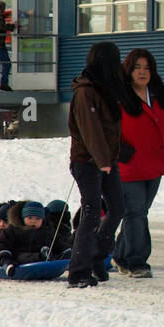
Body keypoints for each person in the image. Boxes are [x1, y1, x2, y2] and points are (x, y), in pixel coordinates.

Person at [67, 41, 140, 289]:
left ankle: (97, 258)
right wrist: (102, 160)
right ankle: (78, 271)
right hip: (87, 162)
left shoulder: (104, 89)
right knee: (91, 211)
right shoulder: (86, 92)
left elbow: (110, 128)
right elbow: (91, 130)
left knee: (117, 207)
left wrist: (119, 153)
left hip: (105, 160)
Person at [113, 49, 164, 279]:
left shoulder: (158, 95)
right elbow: (107, 128)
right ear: (129, 70)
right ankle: (137, 262)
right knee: (135, 213)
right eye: (137, 67)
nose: (142, 72)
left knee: (138, 213)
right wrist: (119, 150)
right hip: (129, 165)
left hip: (154, 164)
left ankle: (119, 254)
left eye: (147, 68)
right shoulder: (119, 97)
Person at [0, 201, 65, 274]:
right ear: (23, 218)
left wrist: (66, 251)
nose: (33, 221)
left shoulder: (47, 231)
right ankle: (10, 267)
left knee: (55, 255)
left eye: (38, 219)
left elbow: (58, 243)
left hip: (44, 259)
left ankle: (46, 256)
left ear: (43, 220)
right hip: (19, 258)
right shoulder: (14, 230)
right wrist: (5, 260)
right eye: (30, 218)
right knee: (22, 257)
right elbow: (2, 244)